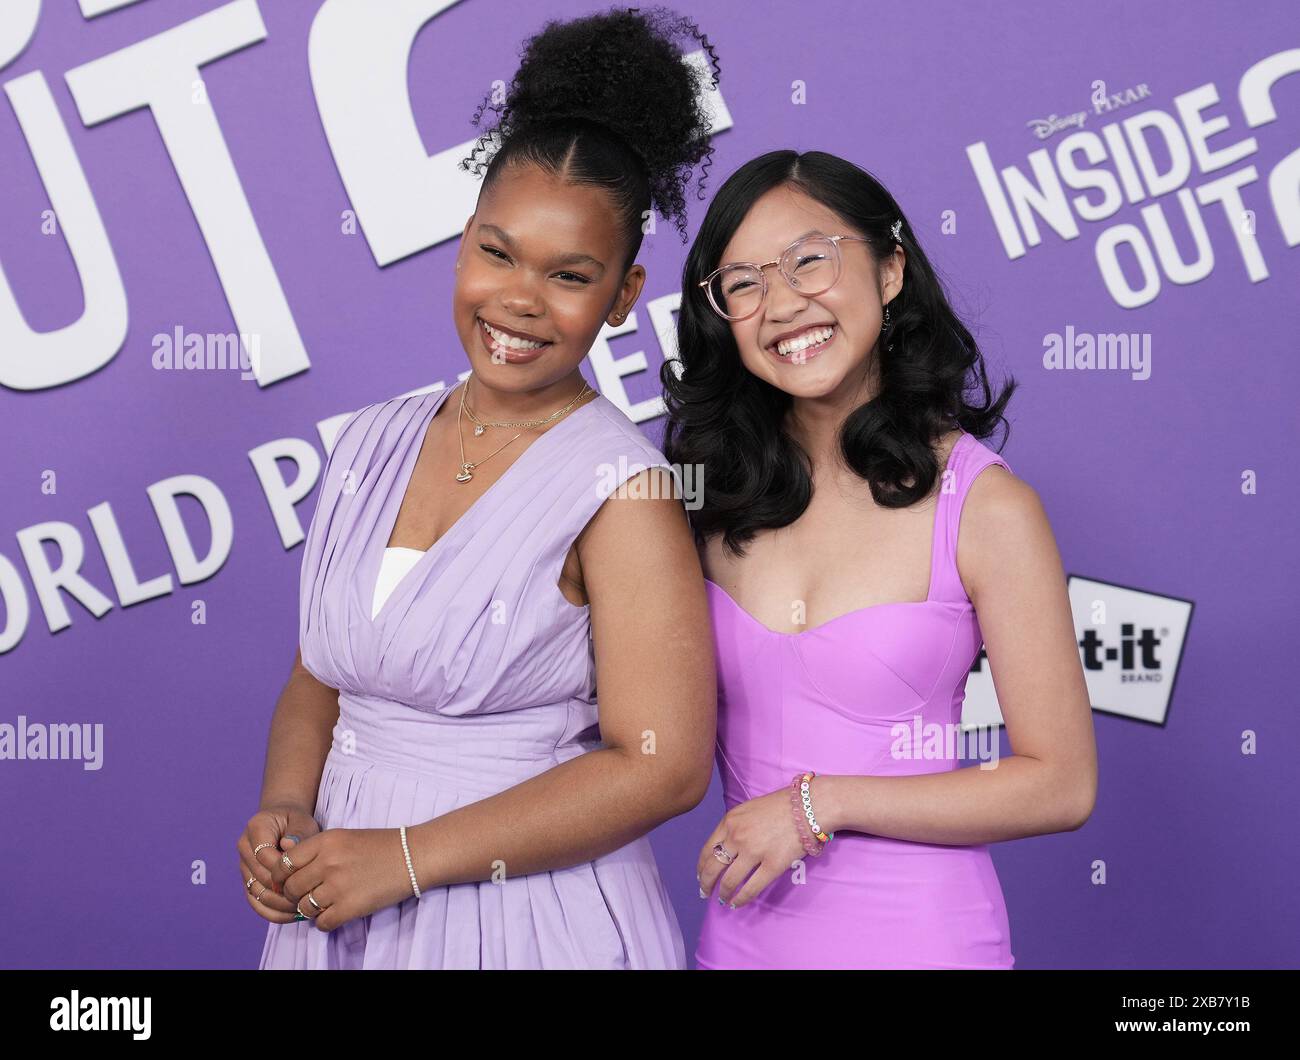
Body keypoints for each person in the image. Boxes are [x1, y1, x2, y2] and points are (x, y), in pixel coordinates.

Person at [242, 6, 721, 970]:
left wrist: (411, 859)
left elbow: (664, 768)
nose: (518, 301)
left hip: (526, 923)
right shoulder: (372, 442)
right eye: (498, 253)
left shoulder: (622, 491)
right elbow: (321, 674)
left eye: (570, 276)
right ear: (464, 241)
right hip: (337, 904)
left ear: (624, 296)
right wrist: (286, 807)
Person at [661, 149, 1098, 969]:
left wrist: (816, 805)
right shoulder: (704, 503)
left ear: (891, 269)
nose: (783, 303)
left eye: (809, 261)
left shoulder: (984, 505)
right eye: (744, 283)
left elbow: (1061, 783)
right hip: (740, 944)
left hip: (923, 941)